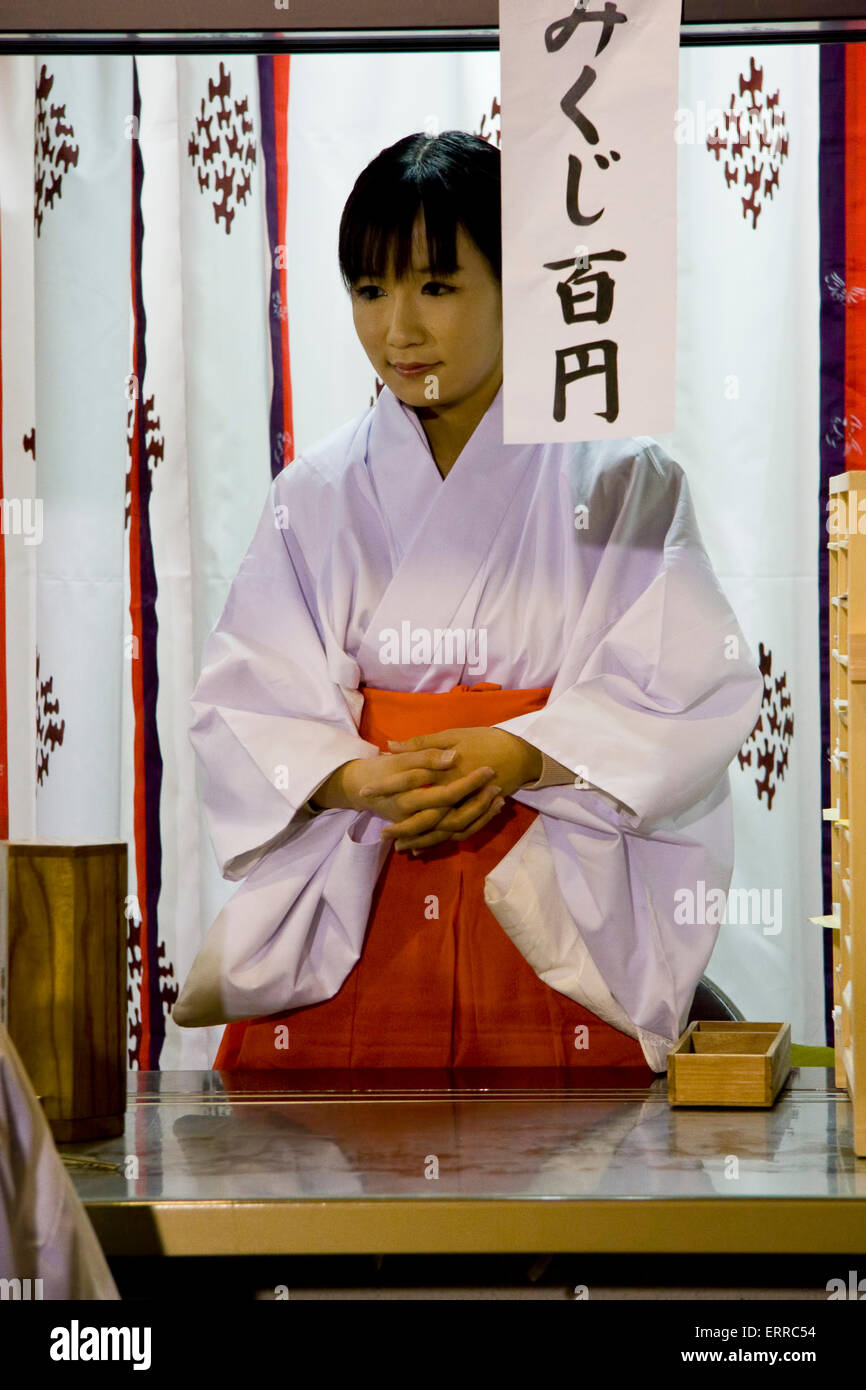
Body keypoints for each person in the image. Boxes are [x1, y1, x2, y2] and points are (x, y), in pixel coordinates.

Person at [172, 131, 764, 1073]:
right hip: (364, 885)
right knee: (332, 1192)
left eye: (437, 287)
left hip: (550, 897)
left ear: (521, 287)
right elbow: (246, 703)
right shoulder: (315, 494)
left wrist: (522, 749)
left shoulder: (620, 480)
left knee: (556, 1197)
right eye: (371, 291)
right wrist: (349, 776)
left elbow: (689, 691)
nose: (398, 329)